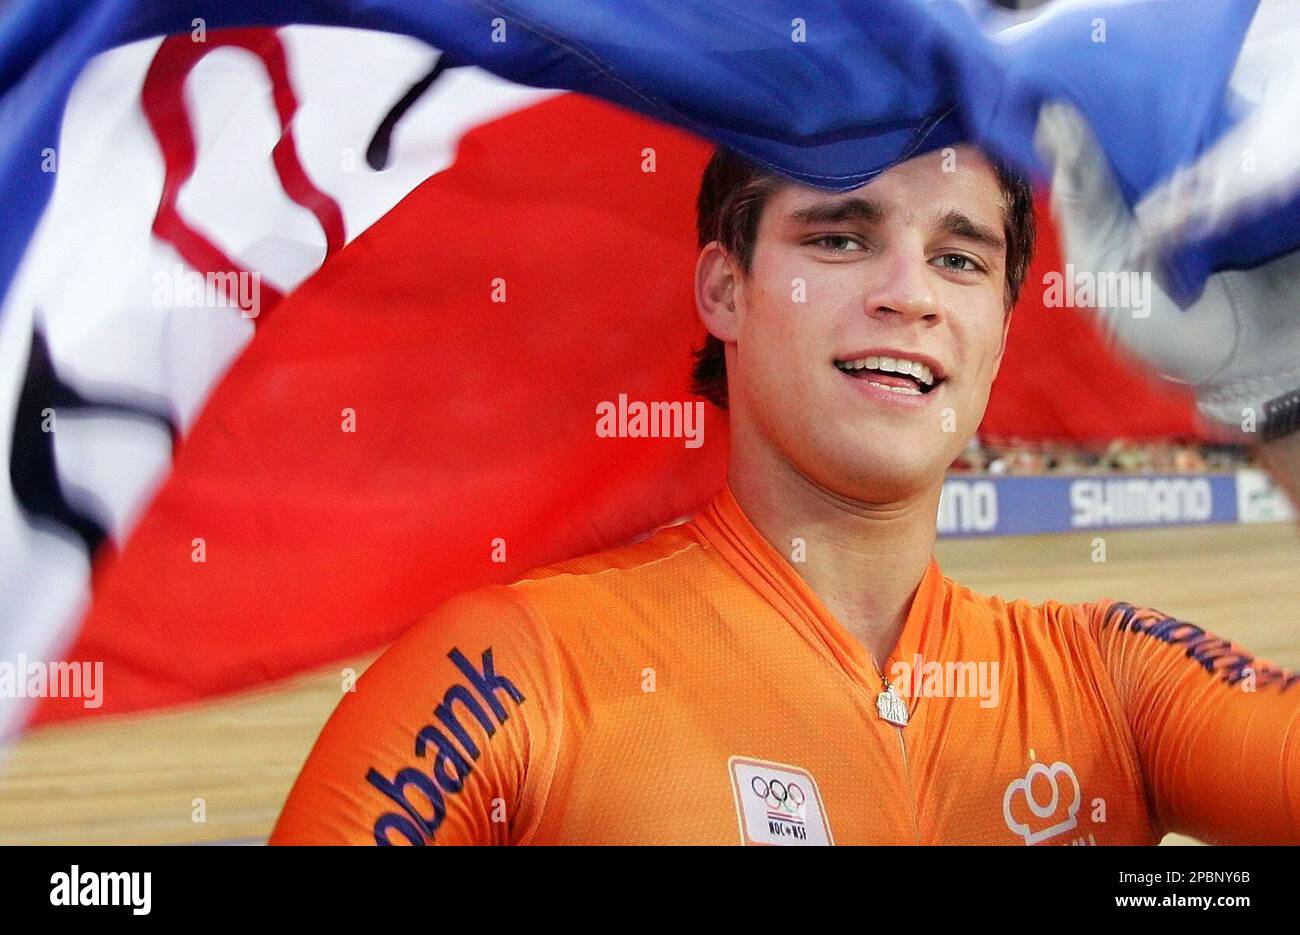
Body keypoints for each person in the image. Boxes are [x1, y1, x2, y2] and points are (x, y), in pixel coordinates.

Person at [270, 141, 1300, 846]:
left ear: (998, 330)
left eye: (957, 256)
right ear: (724, 288)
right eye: (839, 238)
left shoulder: (1115, 680)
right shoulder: (510, 672)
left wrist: (1284, 385)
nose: (908, 292)